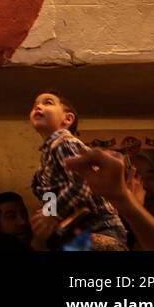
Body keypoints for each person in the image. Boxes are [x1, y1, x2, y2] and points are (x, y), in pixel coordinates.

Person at [28, 91, 128, 249]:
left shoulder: (63, 142)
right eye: (35, 105)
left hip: (100, 228)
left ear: (67, 119)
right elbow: (50, 193)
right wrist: (46, 217)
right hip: (78, 232)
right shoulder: (47, 157)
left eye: (47, 102)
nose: (38, 106)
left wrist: (52, 213)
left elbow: (83, 183)